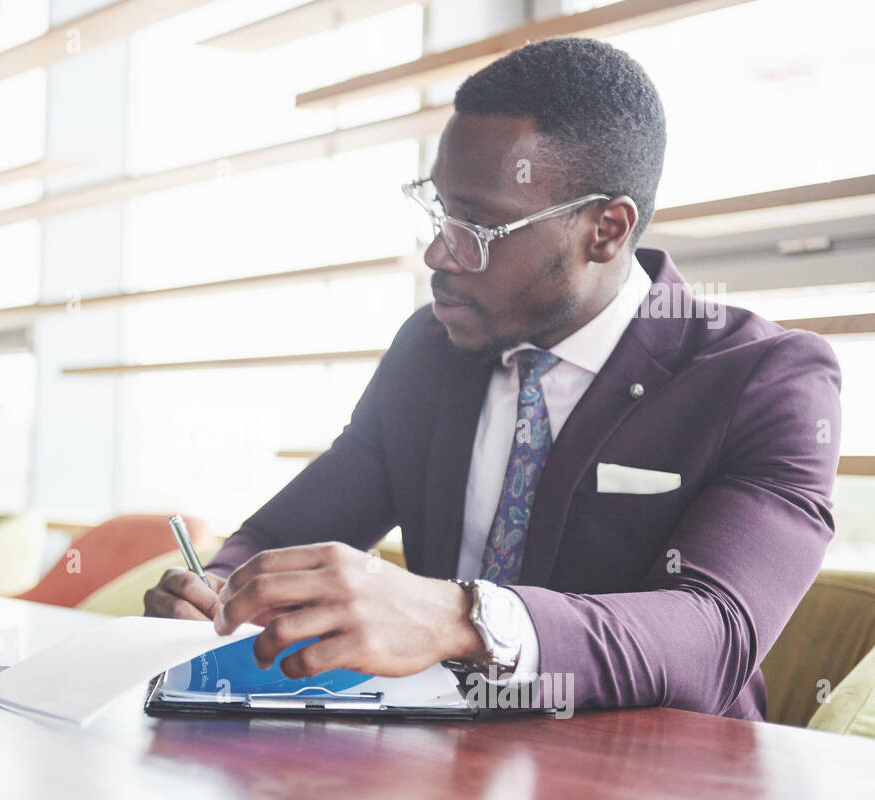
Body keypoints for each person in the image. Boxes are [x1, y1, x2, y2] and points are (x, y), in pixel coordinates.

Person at [144, 37, 841, 720]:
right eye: (439, 210)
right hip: (437, 767)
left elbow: (715, 633)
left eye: (476, 227)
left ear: (606, 229)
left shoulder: (766, 379)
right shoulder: (430, 350)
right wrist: (217, 585)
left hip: (658, 789)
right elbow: (284, 529)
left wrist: (464, 618)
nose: (437, 251)